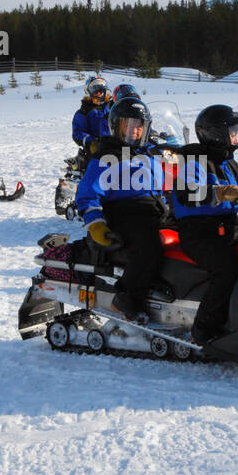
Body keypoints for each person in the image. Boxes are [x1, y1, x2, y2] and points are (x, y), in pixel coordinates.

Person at [75, 97, 165, 319]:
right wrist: (96, 224)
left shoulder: (148, 153)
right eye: (129, 125)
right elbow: (87, 194)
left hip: (154, 210)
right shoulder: (108, 156)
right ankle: (125, 298)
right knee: (150, 244)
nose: (134, 131)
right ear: (116, 126)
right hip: (124, 213)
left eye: (139, 125)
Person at [173, 105, 238, 344]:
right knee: (226, 270)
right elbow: (188, 193)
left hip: (227, 229)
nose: (237, 137)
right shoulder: (194, 161)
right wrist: (225, 193)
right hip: (200, 233)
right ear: (217, 134)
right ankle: (204, 329)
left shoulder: (230, 164)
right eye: (233, 132)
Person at [72, 76, 111, 156]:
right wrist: (92, 142)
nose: (99, 92)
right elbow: (78, 133)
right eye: (95, 89)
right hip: (97, 149)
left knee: (128, 163)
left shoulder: (113, 106)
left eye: (101, 89)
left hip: (117, 144)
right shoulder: (84, 112)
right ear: (89, 91)